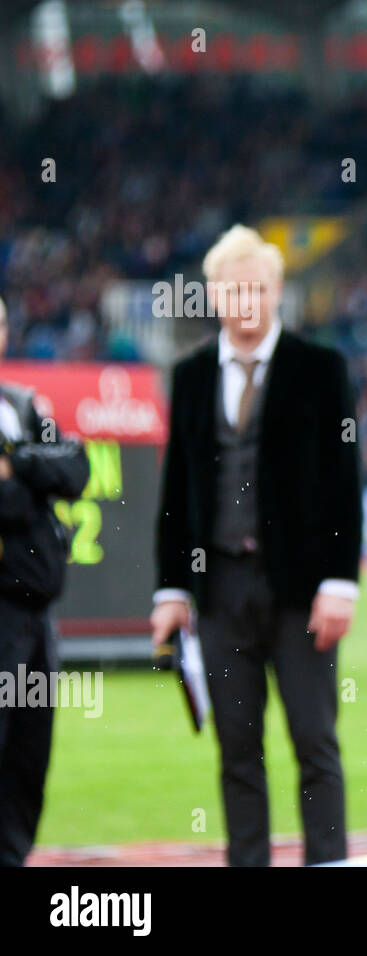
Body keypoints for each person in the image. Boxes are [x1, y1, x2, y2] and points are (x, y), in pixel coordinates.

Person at [150, 225, 362, 864]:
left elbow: (343, 486)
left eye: (258, 288)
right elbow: (176, 489)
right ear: (214, 295)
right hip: (219, 591)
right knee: (238, 750)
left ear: (277, 292)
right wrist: (170, 589)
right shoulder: (189, 377)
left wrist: (340, 583)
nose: (246, 300)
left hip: (300, 590)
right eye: (233, 288)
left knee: (314, 743)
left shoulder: (320, 370)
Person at [0, 294, 91, 864]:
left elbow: (76, 467)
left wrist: (19, 463)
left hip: (37, 618)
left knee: (29, 755)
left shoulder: (22, 403)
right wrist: (34, 485)